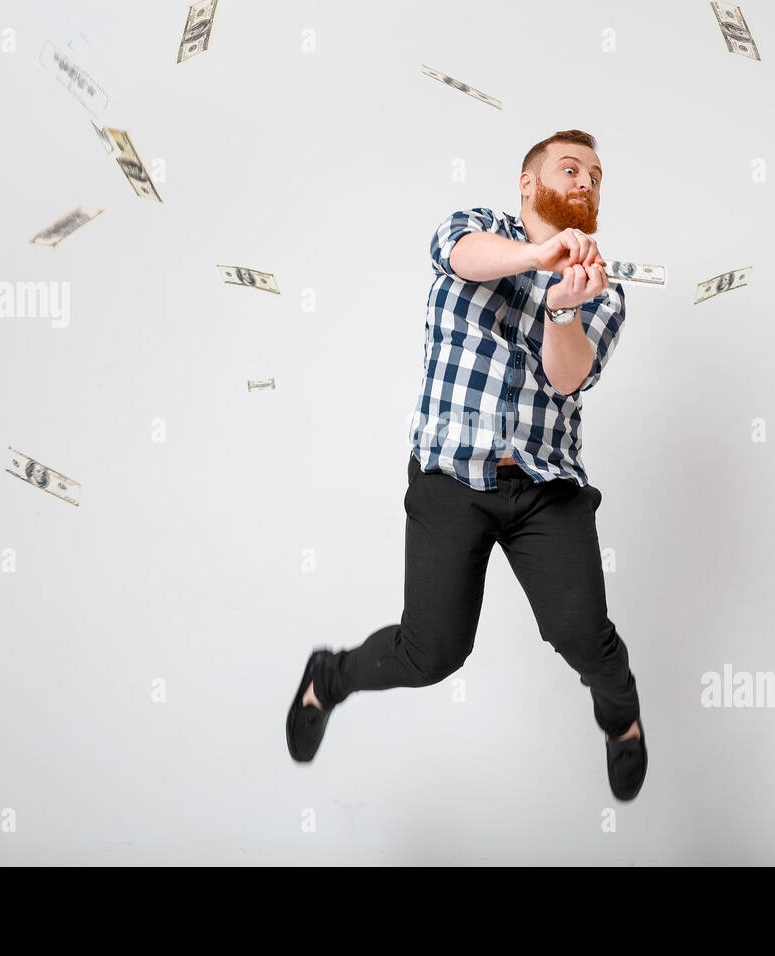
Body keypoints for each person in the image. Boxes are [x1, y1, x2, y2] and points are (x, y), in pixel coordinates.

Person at [287, 129, 645, 800]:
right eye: (570, 168)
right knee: (431, 655)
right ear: (527, 182)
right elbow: (461, 256)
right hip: (451, 479)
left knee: (585, 639)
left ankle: (620, 722)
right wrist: (539, 257)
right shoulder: (475, 228)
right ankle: (328, 677)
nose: (585, 182)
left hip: (545, 486)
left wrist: (563, 308)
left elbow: (568, 380)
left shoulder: (602, 290)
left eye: (596, 176)